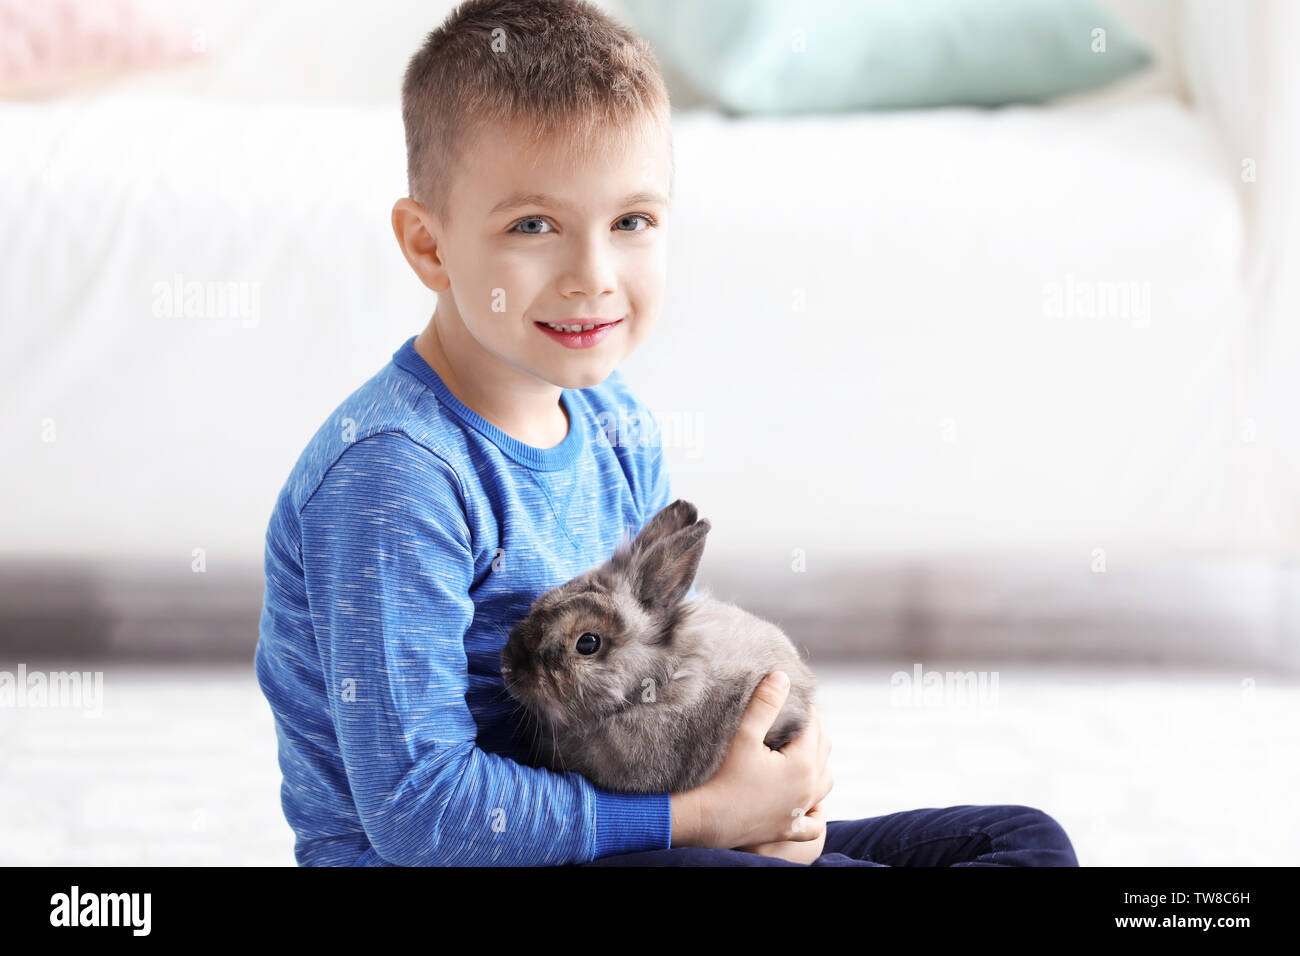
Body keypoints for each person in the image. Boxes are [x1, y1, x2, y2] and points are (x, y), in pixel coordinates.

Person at [254, 0, 1077, 868]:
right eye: (534, 226)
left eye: (632, 222)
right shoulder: (396, 475)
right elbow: (420, 812)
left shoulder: (617, 428)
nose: (592, 277)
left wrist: (767, 793)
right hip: (478, 858)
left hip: (641, 824)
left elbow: (670, 663)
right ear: (429, 247)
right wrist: (700, 821)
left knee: (1022, 842)